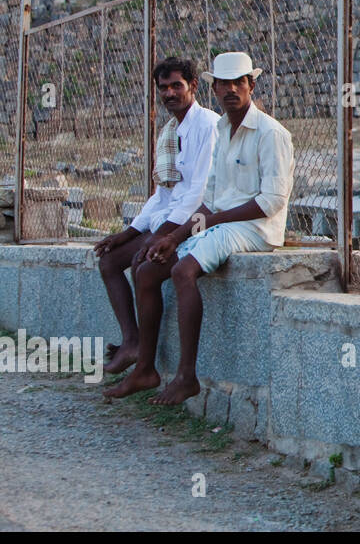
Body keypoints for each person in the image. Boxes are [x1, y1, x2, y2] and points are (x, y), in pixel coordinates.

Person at [104, 52, 294, 405]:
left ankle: (186, 376)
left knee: (182, 270)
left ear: (251, 85)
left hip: (254, 228)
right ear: (214, 88)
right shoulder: (222, 129)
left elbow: (271, 202)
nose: (231, 90)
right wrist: (173, 236)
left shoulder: (271, 133)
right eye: (224, 84)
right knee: (146, 271)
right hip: (219, 225)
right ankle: (145, 368)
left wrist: (210, 224)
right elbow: (207, 200)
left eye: (239, 83)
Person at [92, 58, 218, 376]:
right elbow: (162, 194)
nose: (169, 93)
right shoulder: (170, 130)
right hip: (170, 215)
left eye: (177, 85)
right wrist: (129, 231)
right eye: (163, 88)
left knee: (142, 262)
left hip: (196, 219)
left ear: (193, 86)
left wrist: (163, 234)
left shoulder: (208, 126)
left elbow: (198, 194)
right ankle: (131, 342)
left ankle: (147, 364)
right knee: (108, 260)